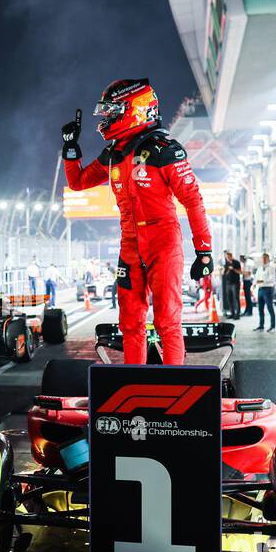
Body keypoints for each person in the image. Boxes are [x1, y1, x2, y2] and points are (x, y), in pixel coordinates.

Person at [62, 78, 212, 364]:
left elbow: (193, 200)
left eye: (114, 111)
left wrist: (203, 250)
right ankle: (134, 383)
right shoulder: (114, 153)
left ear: (136, 109)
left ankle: (174, 390)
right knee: (130, 323)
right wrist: (71, 148)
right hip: (129, 245)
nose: (107, 118)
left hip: (164, 243)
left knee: (167, 321)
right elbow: (78, 182)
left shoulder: (165, 149)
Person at [253, 252, 276, 332]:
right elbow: (256, 278)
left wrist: (262, 280)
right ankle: (261, 325)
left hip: (268, 289)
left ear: (268, 259)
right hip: (260, 289)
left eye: (265, 258)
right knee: (260, 308)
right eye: (262, 258)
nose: (263, 260)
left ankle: (273, 326)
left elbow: (272, 279)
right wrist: (255, 283)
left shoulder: (271, 268)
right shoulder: (259, 268)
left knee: (270, 308)